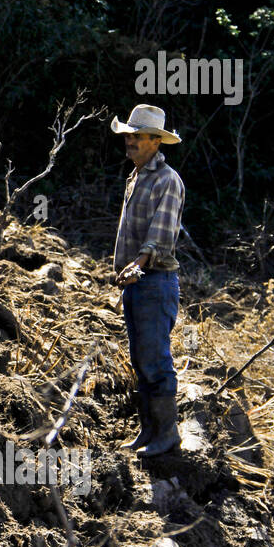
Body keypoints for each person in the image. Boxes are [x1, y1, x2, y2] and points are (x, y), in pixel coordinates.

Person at [111, 103, 185, 457]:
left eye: (137, 136)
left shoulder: (167, 181)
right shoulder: (136, 175)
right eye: (129, 135)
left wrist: (138, 263)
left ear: (156, 141)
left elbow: (161, 235)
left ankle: (167, 436)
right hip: (136, 281)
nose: (130, 141)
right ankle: (148, 432)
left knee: (155, 359)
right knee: (141, 358)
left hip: (155, 282)